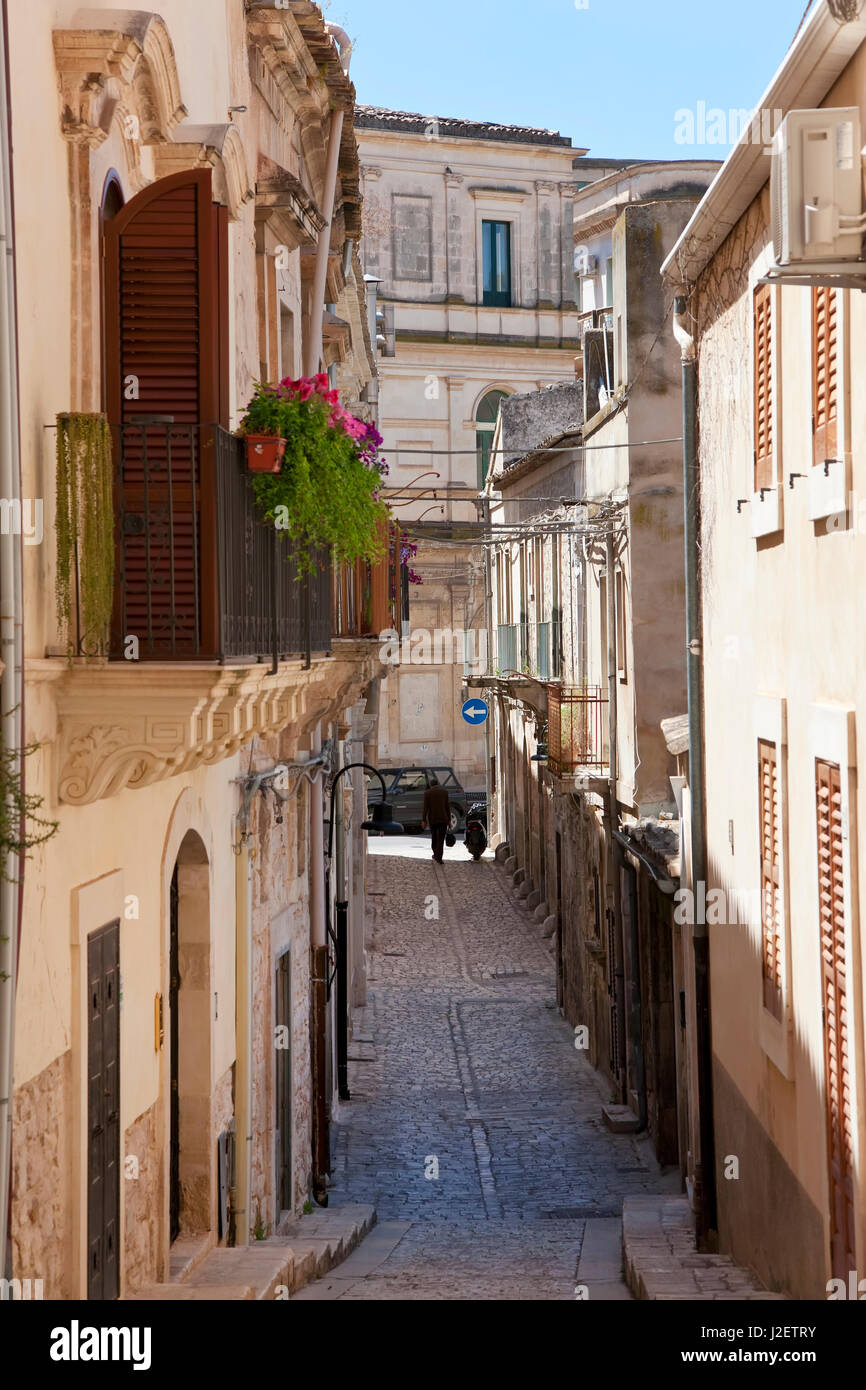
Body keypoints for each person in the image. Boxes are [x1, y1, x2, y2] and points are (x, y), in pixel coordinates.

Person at [421, 775, 451, 864]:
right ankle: (439, 857)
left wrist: (424, 820)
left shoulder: (427, 793)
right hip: (443, 819)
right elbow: (447, 807)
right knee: (441, 839)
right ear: (438, 784)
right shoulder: (444, 792)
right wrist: (449, 820)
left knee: (434, 837)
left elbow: (425, 808)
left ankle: (435, 854)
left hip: (433, 819)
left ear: (431, 785)